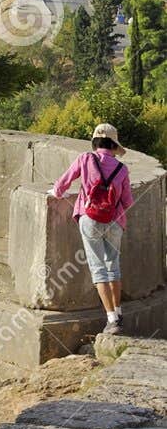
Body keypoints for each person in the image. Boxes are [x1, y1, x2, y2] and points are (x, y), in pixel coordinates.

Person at [48, 122, 133, 328]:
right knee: (113, 267)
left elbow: (63, 183)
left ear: (95, 142)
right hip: (114, 222)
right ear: (114, 145)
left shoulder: (85, 159)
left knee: (98, 269)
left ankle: (111, 318)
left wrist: (56, 193)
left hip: (90, 218)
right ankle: (119, 312)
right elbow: (128, 201)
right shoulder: (122, 169)